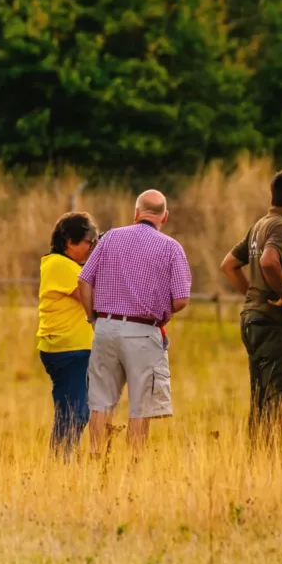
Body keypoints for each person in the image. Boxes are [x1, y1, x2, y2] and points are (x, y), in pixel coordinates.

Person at [77, 190, 191, 453]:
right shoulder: (171, 247)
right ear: (165, 216)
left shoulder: (110, 238)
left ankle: (97, 461)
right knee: (141, 406)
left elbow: (84, 279)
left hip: (105, 327)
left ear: (136, 212)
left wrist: (92, 317)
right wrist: (162, 310)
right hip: (143, 331)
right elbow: (182, 299)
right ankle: (134, 466)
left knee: (101, 403)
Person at [222, 169, 282, 446]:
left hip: (253, 321)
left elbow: (229, 265)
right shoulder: (281, 226)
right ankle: (269, 466)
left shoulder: (260, 225)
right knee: (281, 399)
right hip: (274, 326)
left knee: (260, 399)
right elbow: (269, 261)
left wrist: (254, 297)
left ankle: (257, 463)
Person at [38, 212, 97, 453]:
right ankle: (62, 462)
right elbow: (91, 298)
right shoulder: (61, 265)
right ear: (70, 242)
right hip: (68, 349)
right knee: (74, 413)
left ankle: (63, 460)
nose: (91, 247)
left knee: (75, 411)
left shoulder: (62, 265)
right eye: (88, 242)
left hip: (70, 348)